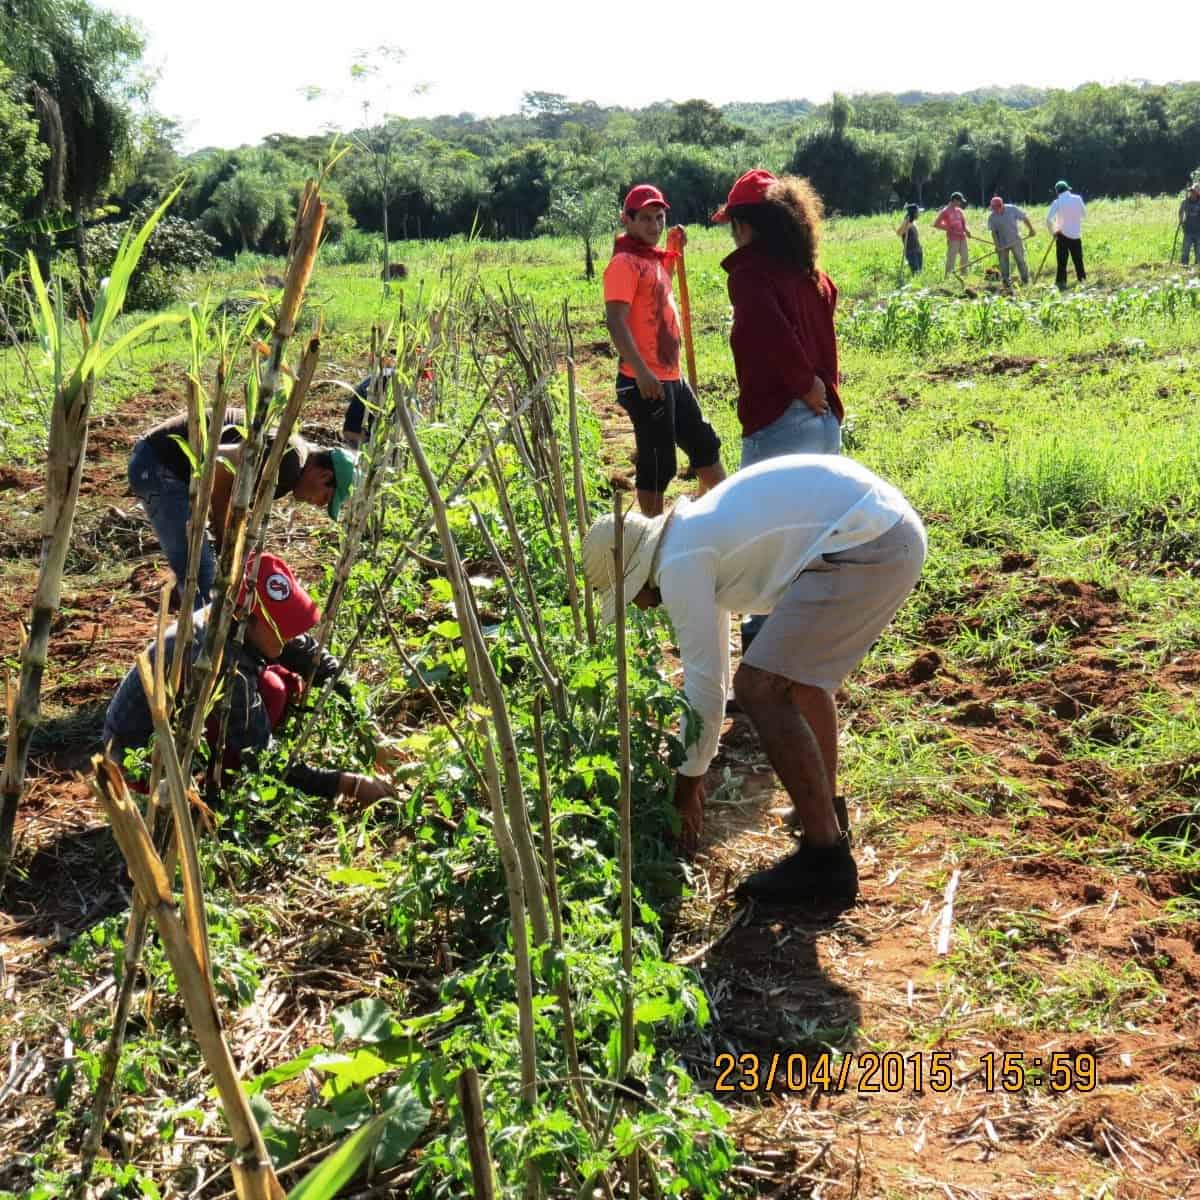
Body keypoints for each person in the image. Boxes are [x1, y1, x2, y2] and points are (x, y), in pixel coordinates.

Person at [581, 456, 927, 905]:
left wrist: (685, 791)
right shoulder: (692, 534)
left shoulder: (680, 561)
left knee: (758, 688)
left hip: (868, 543)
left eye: (631, 596)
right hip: (880, 528)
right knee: (797, 680)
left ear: (635, 572)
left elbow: (705, 688)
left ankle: (826, 860)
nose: (642, 607)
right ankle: (827, 814)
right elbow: (715, 667)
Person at [103, 552, 393, 803]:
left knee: (277, 685)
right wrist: (348, 785)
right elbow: (261, 753)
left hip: (195, 719)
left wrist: (370, 733)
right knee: (269, 696)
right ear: (245, 618)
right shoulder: (217, 659)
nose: (291, 635)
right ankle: (218, 790)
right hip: (141, 760)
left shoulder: (247, 624)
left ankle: (228, 769)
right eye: (282, 627)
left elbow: (321, 664)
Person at [711, 168, 844, 651]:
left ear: (747, 227)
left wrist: (802, 383)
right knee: (808, 543)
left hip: (783, 420)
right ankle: (804, 651)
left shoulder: (750, 275)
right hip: (824, 420)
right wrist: (817, 388)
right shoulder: (810, 274)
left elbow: (770, 331)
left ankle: (766, 660)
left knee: (766, 544)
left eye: (734, 226)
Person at [129, 408, 357, 609]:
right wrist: (224, 537)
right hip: (161, 466)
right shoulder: (288, 463)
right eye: (325, 498)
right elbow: (219, 464)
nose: (317, 504)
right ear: (324, 475)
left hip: (165, 466)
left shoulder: (292, 461)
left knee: (203, 568)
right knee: (201, 577)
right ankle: (200, 648)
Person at [603, 183, 725, 517]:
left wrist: (674, 249)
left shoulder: (652, 260)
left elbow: (656, 294)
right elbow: (616, 321)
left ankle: (726, 516)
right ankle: (652, 536)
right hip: (644, 379)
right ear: (626, 220)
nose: (654, 226)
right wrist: (642, 372)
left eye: (659, 218)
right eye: (645, 219)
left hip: (671, 375)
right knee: (659, 462)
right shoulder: (624, 263)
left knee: (704, 443)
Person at [985, 196, 1036, 287]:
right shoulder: (992, 217)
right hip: (1002, 243)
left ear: (1001, 206)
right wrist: (997, 246)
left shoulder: (1012, 209)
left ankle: (1025, 280)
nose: (995, 210)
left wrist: (1031, 229)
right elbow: (993, 233)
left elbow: (1024, 218)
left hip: (1015, 240)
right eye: (993, 209)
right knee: (1004, 264)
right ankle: (1006, 282)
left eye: (996, 208)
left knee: (1020, 261)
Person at [1046, 180, 1086, 288]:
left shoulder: (1057, 202)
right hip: (1076, 234)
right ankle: (1082, 279)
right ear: (1068, 189)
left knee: (1062, 261)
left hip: (1062, 234)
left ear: (1057, 192)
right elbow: (1084, 214)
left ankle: (1061, 281)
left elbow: (1048, 219)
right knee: (1078, 259)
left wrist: (1053, 231)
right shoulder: (1077, 199)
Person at [933, 192, 973, 276]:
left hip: (962, 237)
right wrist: (948, 228)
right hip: (953, 239)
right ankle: (948, 277)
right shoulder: (945, 211)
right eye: (959, 201)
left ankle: (964, 275)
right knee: (951, 259)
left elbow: (964, 224)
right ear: (954, 200)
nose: (960, 203)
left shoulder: (959, 211)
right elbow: (936, 224)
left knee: (965, 257)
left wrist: (967, 231)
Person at [897, 203, 923, 274]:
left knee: (919, 272)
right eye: (918, 212)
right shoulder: (907, 222)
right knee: (916, 273)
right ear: (914, 213)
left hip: (918, 249)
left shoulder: (913, 222)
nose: (919, 214)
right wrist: (907, 225)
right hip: (911, 251)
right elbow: (899, 233)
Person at [1179, 183, 1200, 267]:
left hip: (1199, 231)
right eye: (1191, 191)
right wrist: (1181, 221)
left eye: (1194, 192)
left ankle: (1198, 266)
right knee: (1185, 249)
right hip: (1188, 230)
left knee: (1199, 251)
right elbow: (1181, 211)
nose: (1192, 193)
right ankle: (1184, 265)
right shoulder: (1185, 202)